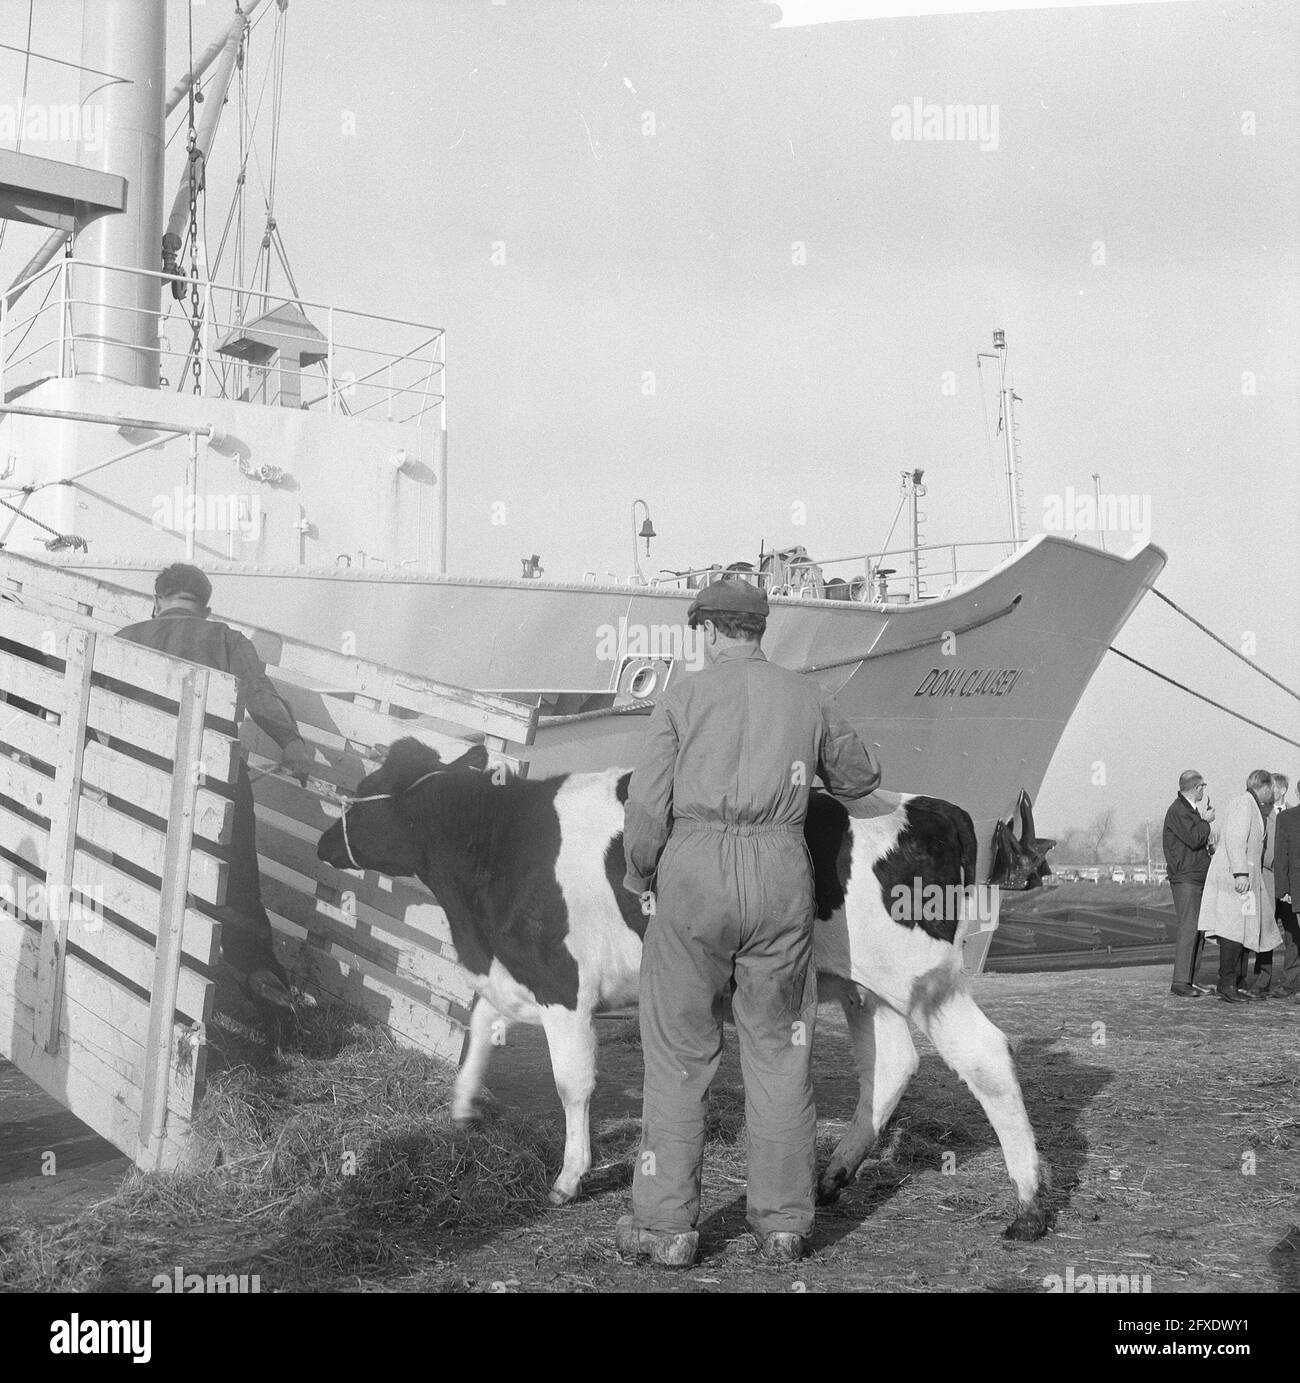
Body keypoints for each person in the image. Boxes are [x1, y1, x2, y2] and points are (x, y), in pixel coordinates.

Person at [616, 577, 882, 1269]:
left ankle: (667, 1224)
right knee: (780, 1049)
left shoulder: (679, 699)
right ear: (761, 630)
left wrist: (640, 873)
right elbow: (860, 775)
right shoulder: (806, 695)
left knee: (677, 1054)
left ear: (707, 630)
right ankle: (786, 1226)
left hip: (694, 875)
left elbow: (647, 808)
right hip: (780, 878)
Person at [117, 564, 313, 1013]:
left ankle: (151, 980)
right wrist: (292, 743)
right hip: (218, 784)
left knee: (149, 874)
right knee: (237, 877)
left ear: (158, 600)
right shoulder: (228, 640)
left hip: (144, 782)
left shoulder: (128, 638)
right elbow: (260, 694)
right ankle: (258, 976)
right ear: (206, 608)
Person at [1198, 769, 1282, 1003]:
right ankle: (1226, 984)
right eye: (1271, 789)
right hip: (1237, 879)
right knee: (1233, 931)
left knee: (1243, 929)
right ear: (1264, 787)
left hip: (1246, 880)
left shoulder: (1252, 805)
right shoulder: (1243, 804)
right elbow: (1236, 839)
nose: (1273, 793)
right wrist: (1241, 874)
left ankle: (1236, 981)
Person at [1162, 769, 1216, 998]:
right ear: (1197, 788)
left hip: (1194, 876)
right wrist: (1206, 822)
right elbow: (1194, 838)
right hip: (1186, 878)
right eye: (1203, 786)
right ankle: (1181, 982)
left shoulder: (1185, 810)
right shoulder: (1179, 811)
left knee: (1198, 929)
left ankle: (1190, 980)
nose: (1205, 790)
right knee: (1188, 927)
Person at [1268, 775, 1300, 1001]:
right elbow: (1281, 857)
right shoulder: (1286, 818)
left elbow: (1281, 856)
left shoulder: (1287, 818)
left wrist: (1285, 889)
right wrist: (1285, 890)